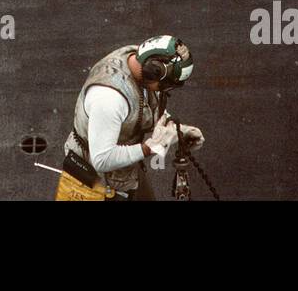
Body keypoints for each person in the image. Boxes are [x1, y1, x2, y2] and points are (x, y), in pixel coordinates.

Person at [61, 35, 203, 200]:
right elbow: (102, 159)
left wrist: (178, 131)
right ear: (153, 70)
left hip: (125, 169)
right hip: (97, 179)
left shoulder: (141, 59)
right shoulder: (109, 99)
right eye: (164, 85)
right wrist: (149, 148)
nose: (165, 90)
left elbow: (146, 105)